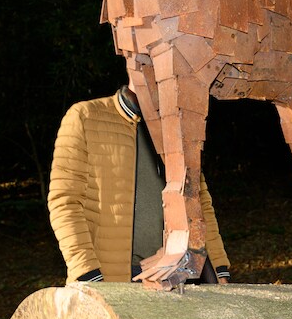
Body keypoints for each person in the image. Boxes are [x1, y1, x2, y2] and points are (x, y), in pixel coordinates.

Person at [48, 85, 231, 283]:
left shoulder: (177, 128)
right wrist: (88, 274)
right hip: (111, 278)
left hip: (175, 276)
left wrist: (219, 269)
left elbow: (199, 203)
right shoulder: (85, 116)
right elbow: (65, 203)